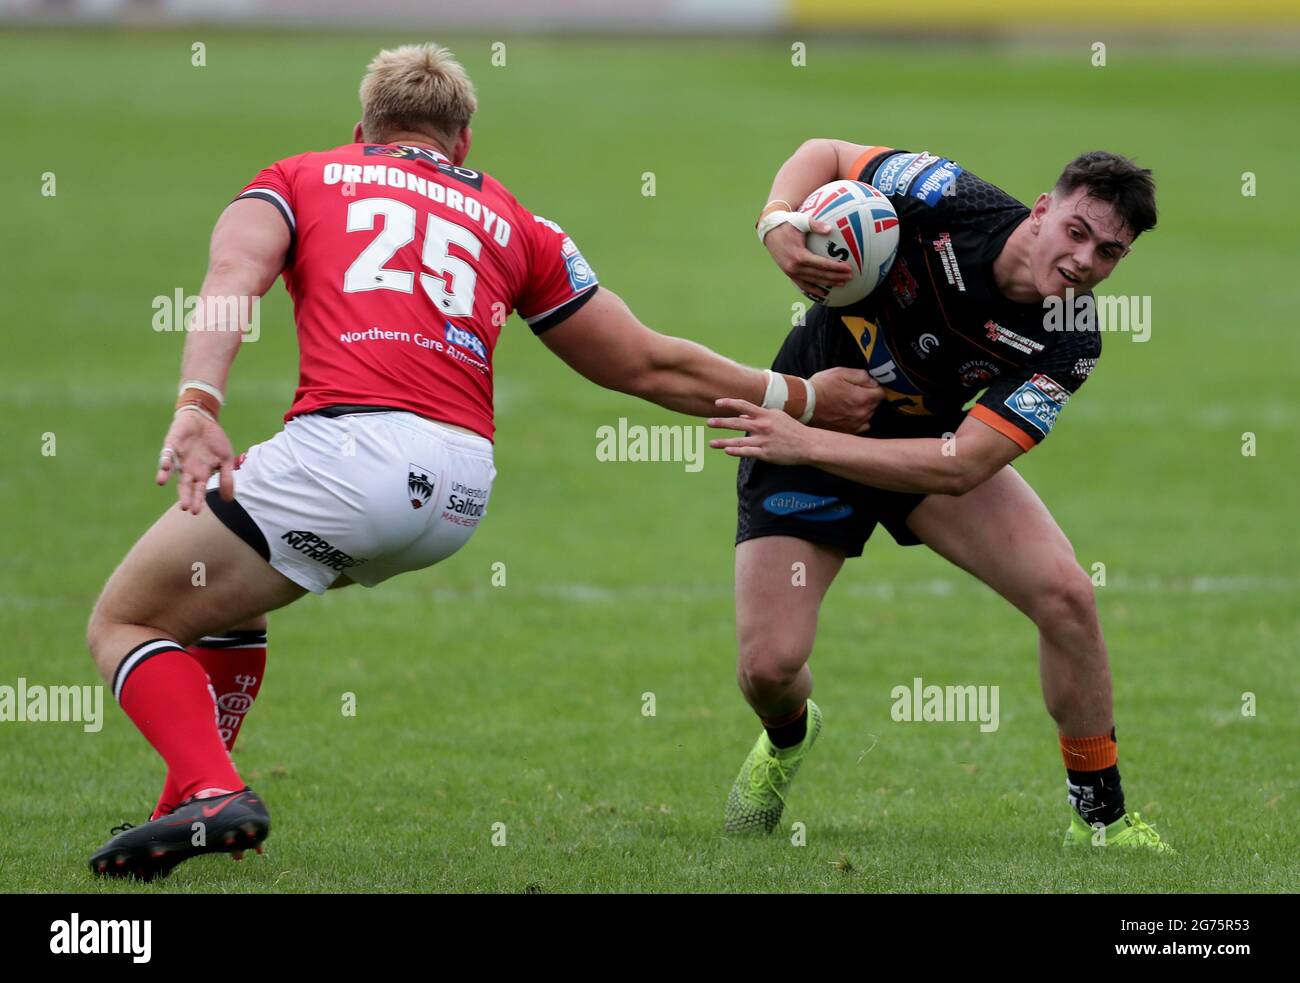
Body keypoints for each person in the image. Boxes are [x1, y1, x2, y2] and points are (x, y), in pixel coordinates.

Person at [85, 46, 881, 881]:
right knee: (223, 597)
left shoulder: (299, 176)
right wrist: (806, 395)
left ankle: (213, 790)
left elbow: (230, 277)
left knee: (126, 619)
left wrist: (198, 406)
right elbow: (646, 363)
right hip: (458, 491)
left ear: (361, 132)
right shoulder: (515, 220)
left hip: (350, 455)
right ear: (463, 143)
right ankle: (183, 811)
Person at [711, 140, 1173, 852]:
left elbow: (964, 466)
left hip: (918, 456)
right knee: (768, 668)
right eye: (1077, 232)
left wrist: (810, 445)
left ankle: (1104, 818)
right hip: (810, 411)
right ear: (1044, 210)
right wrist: (777, 221)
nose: (1085, 261)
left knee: (1068, 596)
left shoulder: (1071, 333)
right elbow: (826, 154)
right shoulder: (949, 198)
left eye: (1108, 254)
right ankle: (788, 738)